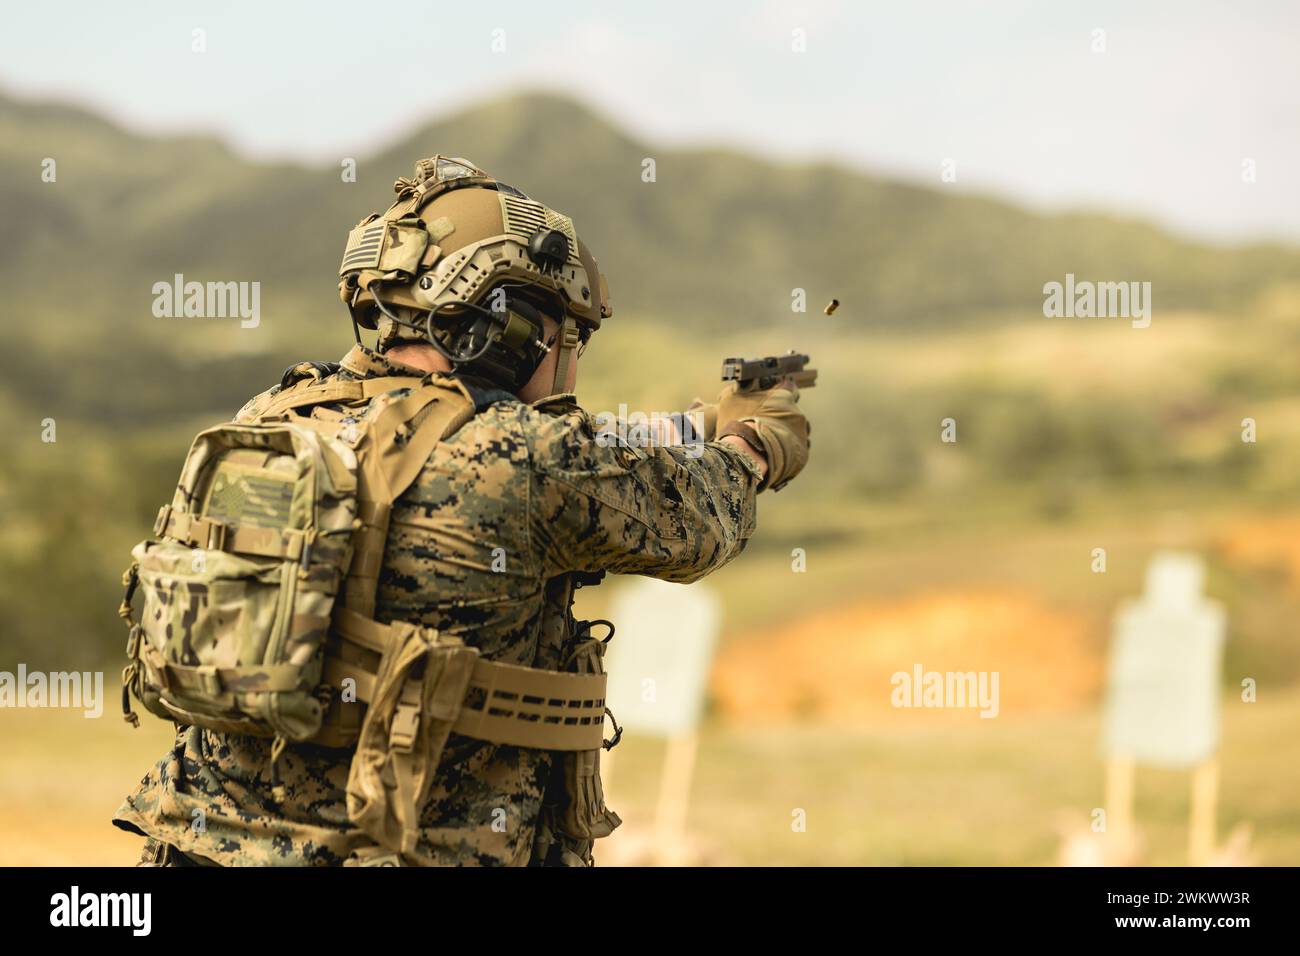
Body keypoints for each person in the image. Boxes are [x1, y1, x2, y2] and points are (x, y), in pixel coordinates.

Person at [114, 156, 809, 866]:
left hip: (201, 846)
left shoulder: (272, 416)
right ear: (512, 330)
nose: (569, 361)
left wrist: (686, 426)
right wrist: (752, 442)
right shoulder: (526, 459)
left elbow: (537, 448)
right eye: (568, 335)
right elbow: (699, 524)